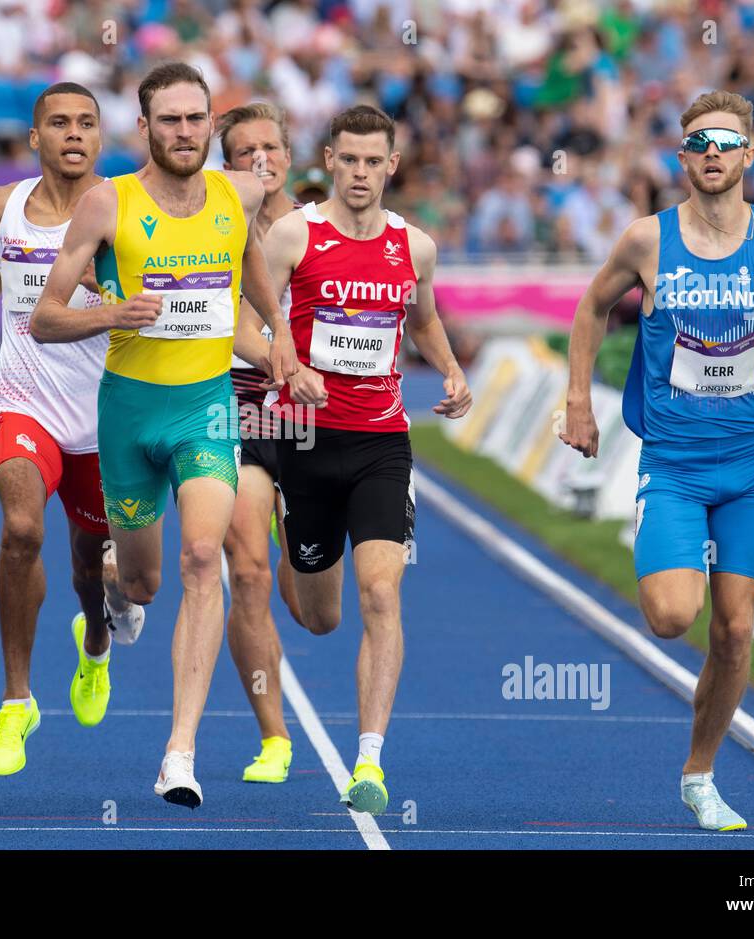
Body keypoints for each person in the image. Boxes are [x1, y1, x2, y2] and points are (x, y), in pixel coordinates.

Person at [559, 90, 754, 831]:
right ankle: (670, 566)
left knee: (732, 629)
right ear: (683, 157)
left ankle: (700, 773)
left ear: (750, 155)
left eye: (727, 142)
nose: (713, 153)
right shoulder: (646, 241)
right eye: (699, 142)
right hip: (676, 461)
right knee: (672, 615)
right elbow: (591, 306)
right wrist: (577, 401)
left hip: (752, 466)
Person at [29, 63, 298, 808]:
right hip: (128, 414)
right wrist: (110, 314)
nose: (185, 132)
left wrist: (279, 341)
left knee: (204, 556)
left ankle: (179, 751)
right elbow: (44, 317)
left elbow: (248, 275)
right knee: (145, 578)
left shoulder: (238, 194)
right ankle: (115, 588)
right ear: (144, 127)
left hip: (204, 408)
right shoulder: (105, 204)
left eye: (196, 118)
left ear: (214, 125)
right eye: (169, 120)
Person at [249, 104, 472, 815]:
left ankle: (369, 759)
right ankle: (295, 543)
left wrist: (451, 368)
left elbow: (425, 314)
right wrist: (286, 364)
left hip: (382, 442)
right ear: (330, 161)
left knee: (381, 592)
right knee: (320, 617)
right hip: (306, 441)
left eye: (373, 161)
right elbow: (253, 316)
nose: (360, 173)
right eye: (348, 160)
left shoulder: (416, 246)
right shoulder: (294, 235)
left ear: (391, 166)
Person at [0, 83, 130, 776]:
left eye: (87, 123)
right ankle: (17, 700)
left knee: (86, 563)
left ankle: (95, 638)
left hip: (104, 415)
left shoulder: (129, 213)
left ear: (101, 137)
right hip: (23, 396)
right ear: (35, 137)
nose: (75, 133)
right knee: (20, 529)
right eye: (60, 122)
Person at [215, 101, 305, 784]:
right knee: (244, 571)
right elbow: (222, 325)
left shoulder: (322, 229)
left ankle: (297, 556)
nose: (260, 160)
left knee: (310, 607)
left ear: (290, 152)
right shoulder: (215, 225)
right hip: (240, 409)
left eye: (270, 146)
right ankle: (274, 736)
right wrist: (279, 358)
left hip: (314, 420)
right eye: (245, 151)